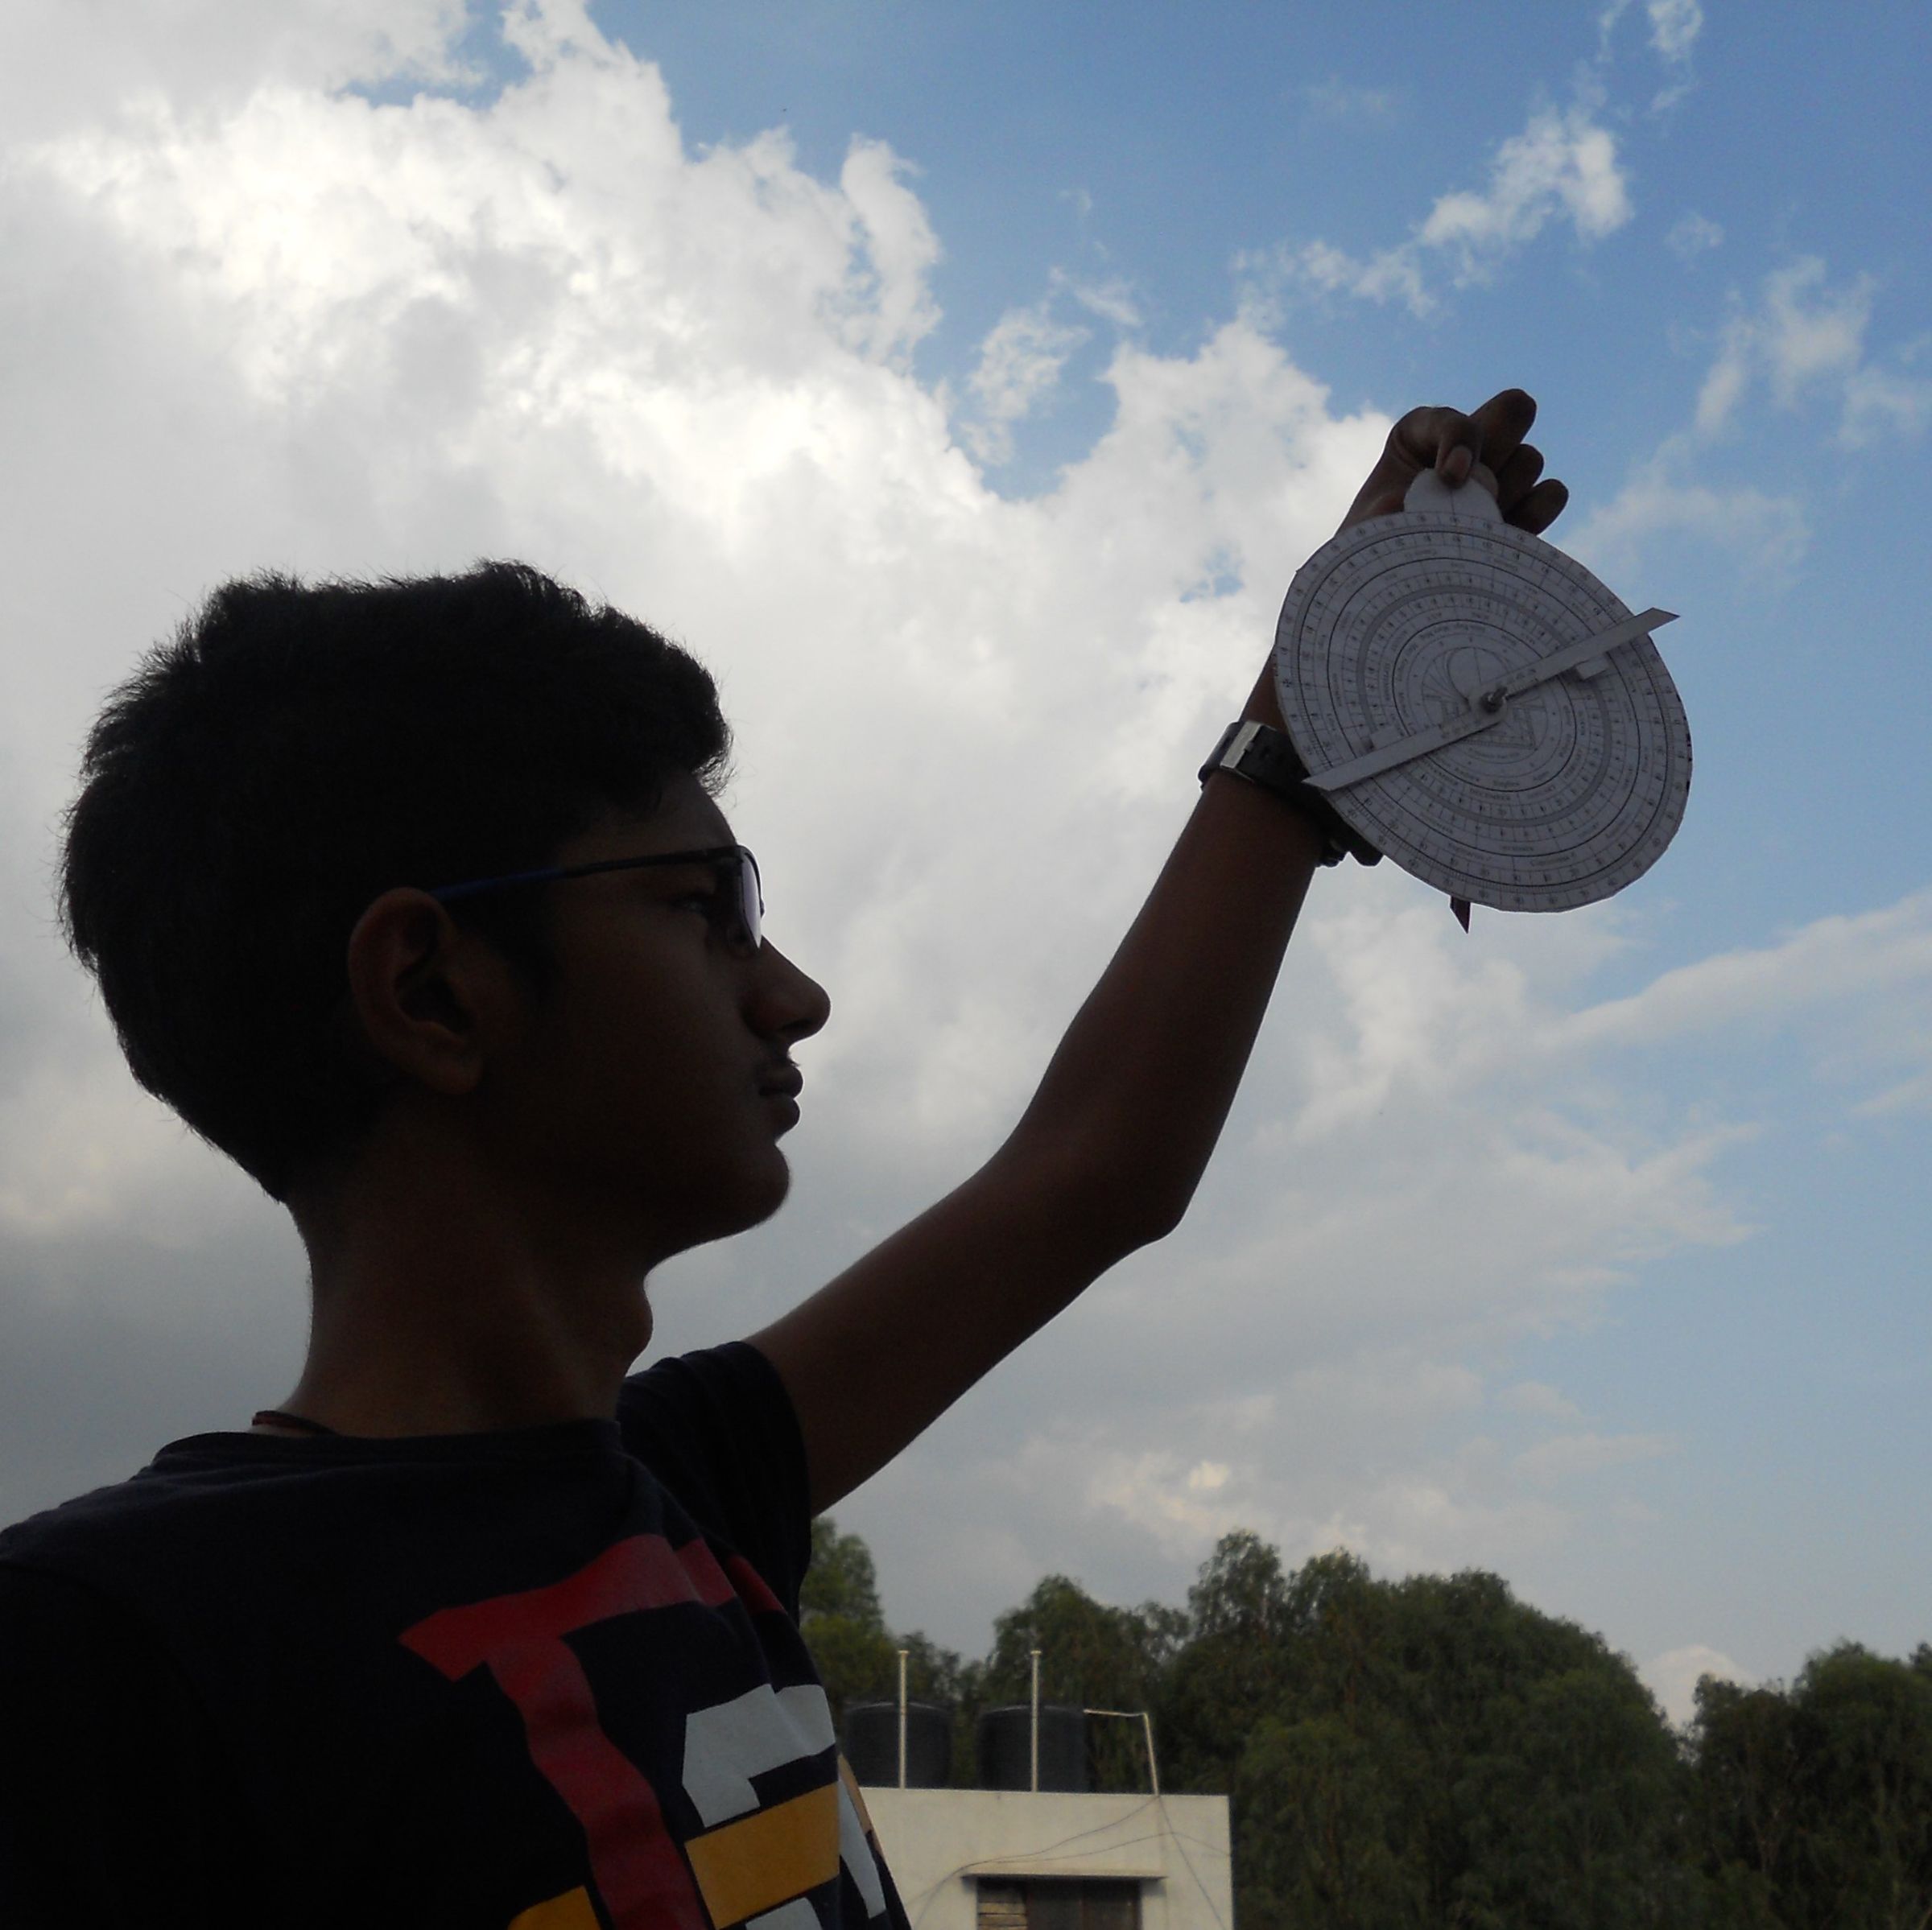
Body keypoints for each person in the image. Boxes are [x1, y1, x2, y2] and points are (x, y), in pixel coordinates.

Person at [0, 393, 1565, 1927]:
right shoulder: (102, 1654)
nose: (796, 995)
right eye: (704, 909)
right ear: (432, 990)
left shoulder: (694, 1477)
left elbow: (1098, 1170)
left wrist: (1320, 696)